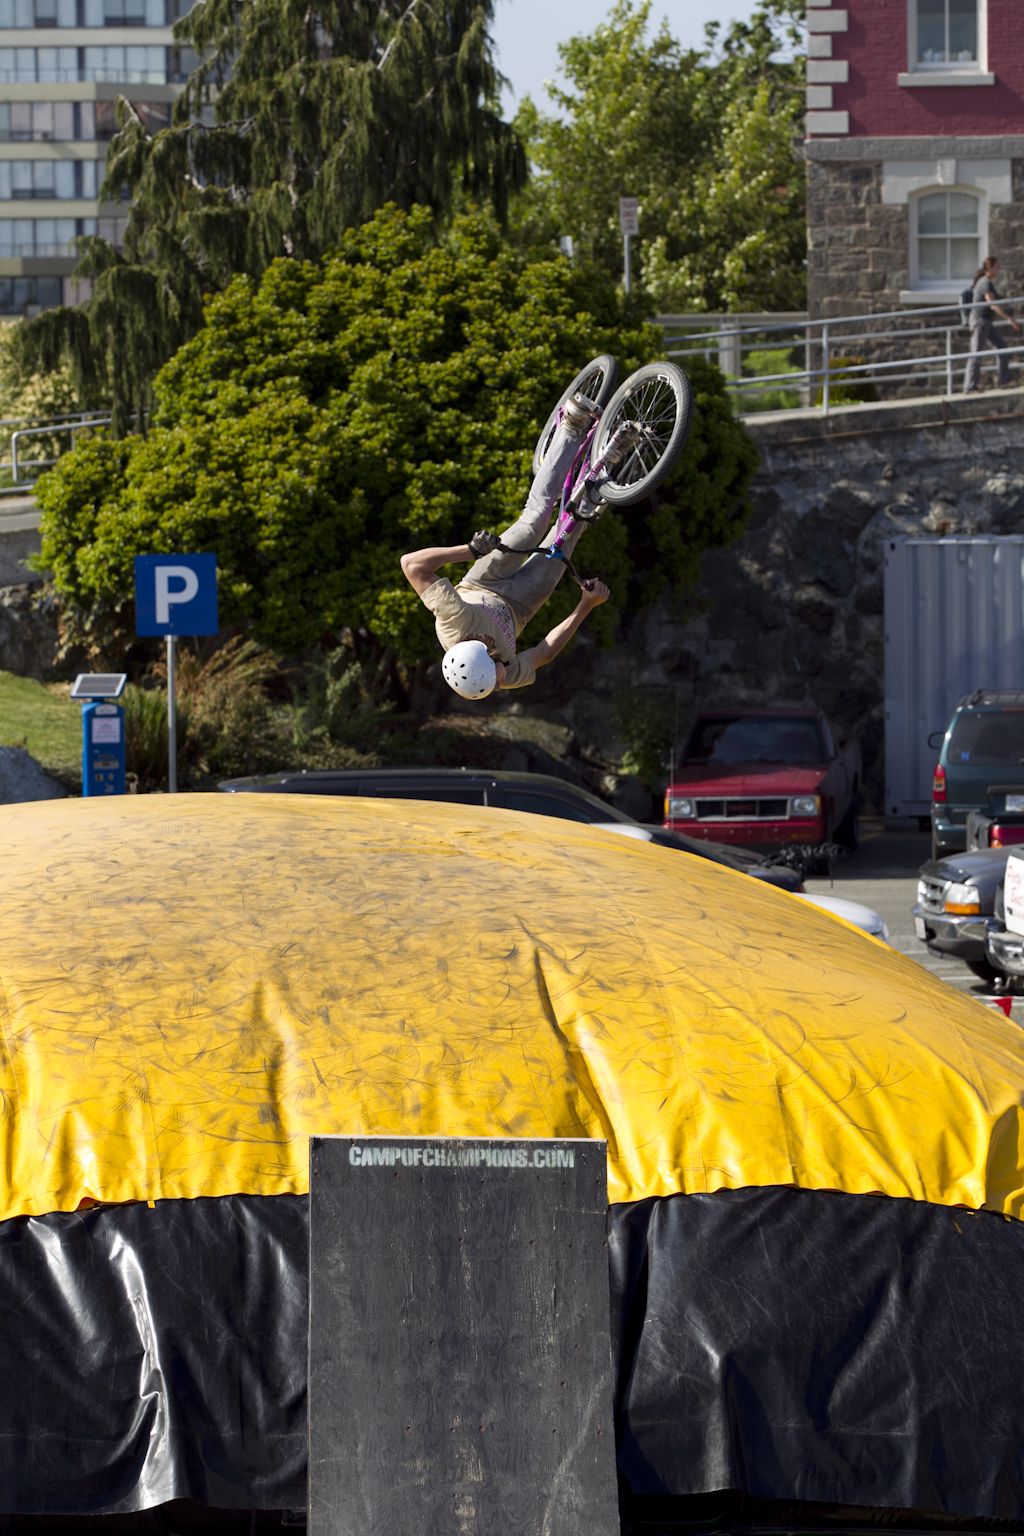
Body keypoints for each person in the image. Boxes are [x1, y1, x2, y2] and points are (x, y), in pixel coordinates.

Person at [400, 393, 627, 700]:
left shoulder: (455, 620)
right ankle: (610, 460)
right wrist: (584, 607)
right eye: (496, 684)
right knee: (569, 531)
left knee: (535, 520)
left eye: (496, 677)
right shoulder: (497, 676)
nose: (500, 684)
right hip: (521, 607)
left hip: (484, 581)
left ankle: (571, 427)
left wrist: (471, 550)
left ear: (484, 654)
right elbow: (543, 652)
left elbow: (411, 565)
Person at [964, 256, 1021, 394]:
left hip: (986, 322)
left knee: (1002, 348)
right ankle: (970, 387)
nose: (999, 268)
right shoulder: (985, 283)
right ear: (989, 268)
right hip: (980, 321)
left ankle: (1005, 381)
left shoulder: (986, 282)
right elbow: (993, 305)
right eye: (997, 266)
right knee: (976, 354)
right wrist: (1009, 319)